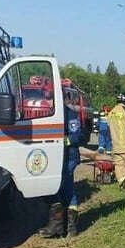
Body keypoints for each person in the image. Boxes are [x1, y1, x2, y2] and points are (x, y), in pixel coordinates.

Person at [38, 100, 84, 238]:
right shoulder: (48, 114)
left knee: (58, 188)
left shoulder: (70, 114)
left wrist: (61, 140)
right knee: (66, 189)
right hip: (57, 159)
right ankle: (68, 227)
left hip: (69, 157)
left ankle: (59, 226)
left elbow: (77, 137)